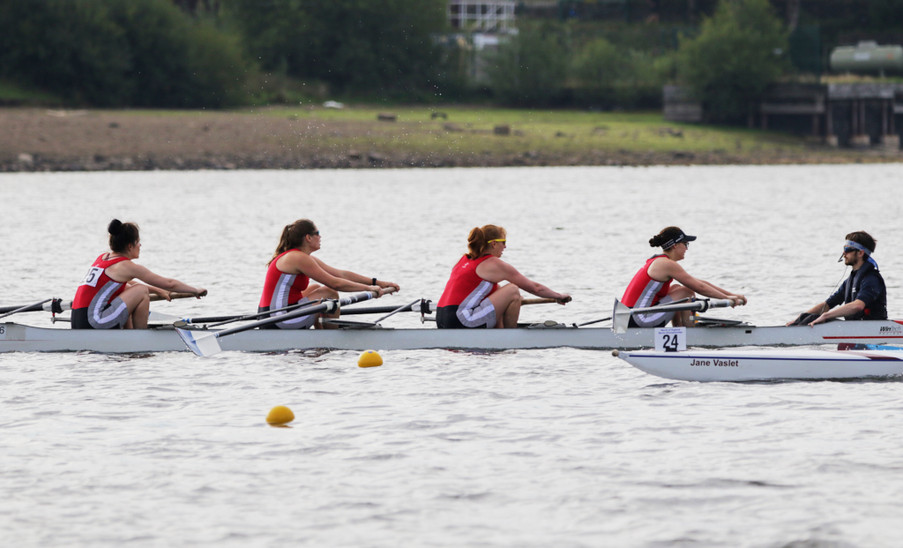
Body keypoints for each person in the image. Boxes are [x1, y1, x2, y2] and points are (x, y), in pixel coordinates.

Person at [259, 219, 400, 329]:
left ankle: (321, 332)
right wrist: (368, 289)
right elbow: (335, 283)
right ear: (308, 237)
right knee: (329, 293)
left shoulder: (301, 257)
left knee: (315, 289)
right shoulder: (297, 258)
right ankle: (332, 336)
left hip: (271, 315)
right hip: (277, 319)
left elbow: (340, 274)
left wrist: (377, 283)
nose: (320, 236)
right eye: (317, 233)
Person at [72, 219, 207, 329]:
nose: (140, 245)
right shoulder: (126, 266)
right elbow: (169, 284)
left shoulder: (103, 258)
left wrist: (158, 291)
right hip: (94, 321)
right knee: (141, 291)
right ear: (130, 246)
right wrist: (195, 290)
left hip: (78, 320)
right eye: (138, 242)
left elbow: (126, 285)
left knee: (130, 289)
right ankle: (140, 337)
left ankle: (130, 334)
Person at [436, 224, 570, 329]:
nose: (505, 246)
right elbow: (535, 288)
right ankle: (509, 338)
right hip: (462, 320)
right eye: (503, 242)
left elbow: (493, 297)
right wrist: (558, 296)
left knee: (509, 295)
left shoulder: (464, 260)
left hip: (442, 318)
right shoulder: (493, 264)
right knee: (513, 290)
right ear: (493, 243)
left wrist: (514, 301)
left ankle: (501, 333)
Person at [621, 226, 746, 328]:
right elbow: (700, 287)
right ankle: (689, 330)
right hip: (639, 318)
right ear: (675, 245)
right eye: (685, 244)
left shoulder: (658, 261)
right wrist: (727, 298)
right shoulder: (666, 264)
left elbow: (699, 282)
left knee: (677, 288)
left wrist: (731, 295)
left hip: (627, 318)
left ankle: (679, 329)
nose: (686, 248)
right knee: (686, 292)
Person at [789, 231, 886, 326]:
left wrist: (826, 316)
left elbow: (858, 306)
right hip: (854, 328)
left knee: (814, 318)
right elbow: (827, 305)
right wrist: (799, 318)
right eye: (844, 249)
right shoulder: (850, 281)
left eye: (848, 250)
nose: (844, 254)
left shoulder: (872, 279)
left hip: (872, 328)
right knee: (809, 317)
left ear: (860, 253)